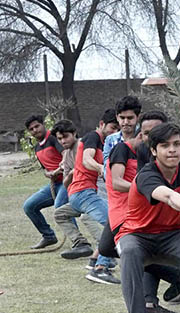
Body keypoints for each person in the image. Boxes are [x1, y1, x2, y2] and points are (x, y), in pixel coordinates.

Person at [115, 123, 180, 313]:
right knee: (129, 254)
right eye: (165, 146)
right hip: (137, 234)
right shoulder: (146, 175)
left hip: (173, 233)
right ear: (154, 150)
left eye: (177, 144)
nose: (172, 150)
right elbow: (169, 196)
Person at [67, 108, 120, 282]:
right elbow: (86, 159)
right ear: (102, 124)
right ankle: (100, 268)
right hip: (82, 192)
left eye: (117, 129)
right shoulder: (93, 137)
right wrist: (101, 168)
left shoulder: (104, 142)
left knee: (113, 221)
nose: (115, 132)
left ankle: (94, 259)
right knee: (114, 223)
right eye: (113, 127)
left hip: (84, 192)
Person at [22, 114, 68, 249]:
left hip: (68, 181)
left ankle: (79, 242)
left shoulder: (54, 138)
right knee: (29, 206)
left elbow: (65, 154)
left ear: (43, 125)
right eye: (32, 129)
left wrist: (60, 168)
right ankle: (48, 236)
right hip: (55, 184)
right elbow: (45, 170)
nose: (35, 130)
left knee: (61, 207)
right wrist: (49, 174)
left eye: (37, 126)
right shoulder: (37, 148)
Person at [51, 120, 94, 259]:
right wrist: (70, 173)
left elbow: (91, 167)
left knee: (87, 217)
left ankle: (106, 252)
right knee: (59, 214)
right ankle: (80, 244)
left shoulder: (85, 145)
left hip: (95, 193)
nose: (63, 141)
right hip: (80, 195)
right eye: (59, 139)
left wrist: (76, 171)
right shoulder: (67, 154)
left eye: (65, 137)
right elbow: (65, 183)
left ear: (74, 133)